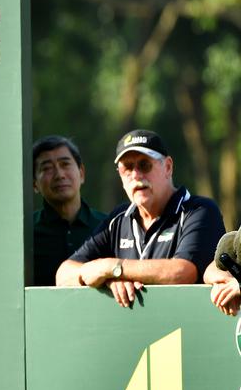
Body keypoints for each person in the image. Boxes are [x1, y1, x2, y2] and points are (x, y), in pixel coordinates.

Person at [56, 129, 226, 308]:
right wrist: (107, 279)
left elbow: (183, 272)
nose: (136, 175)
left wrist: (113, 268)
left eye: (144, 165)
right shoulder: (118, 218)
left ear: (168, 167)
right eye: (127, 168)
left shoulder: (199, 210)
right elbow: (63, 274)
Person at [31, 135, 106, 286]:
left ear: (82, 173)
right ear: (34, 184)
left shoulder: (108, 226)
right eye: (47, 168)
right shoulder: (25, 233)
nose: (59, 175)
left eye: (65, 164)